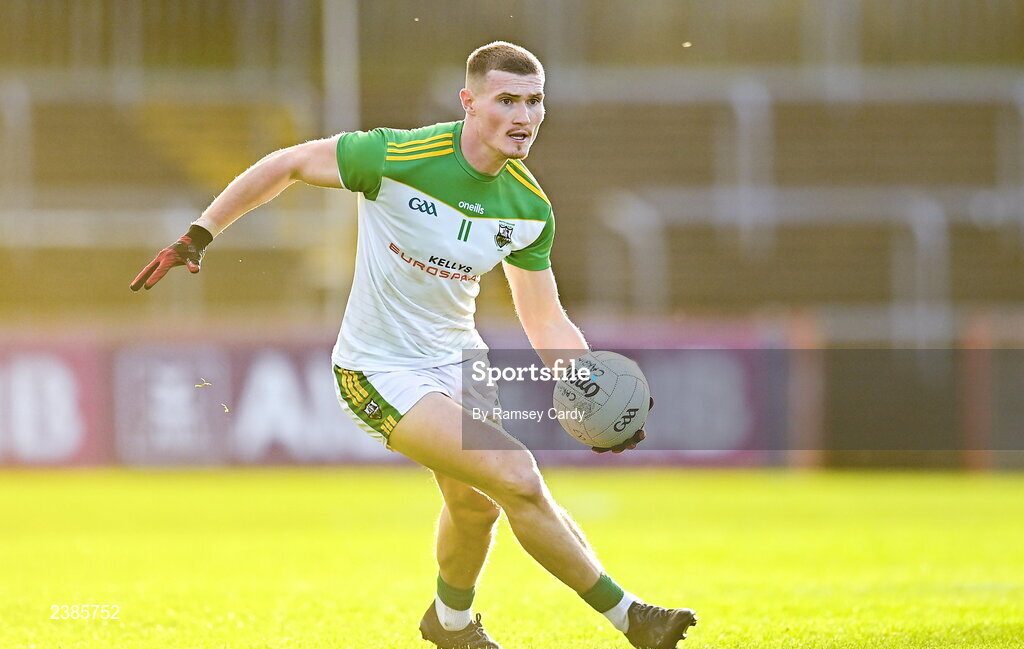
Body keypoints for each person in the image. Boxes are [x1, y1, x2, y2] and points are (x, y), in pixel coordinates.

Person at [130, 41, 697, 649]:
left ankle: (450, 625)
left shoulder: (530, 206)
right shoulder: (396, 155)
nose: (524, 116)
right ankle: (632, 619)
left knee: (476, 507)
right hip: (378, 369)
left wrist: (591, 387)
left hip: (462, 363)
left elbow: (545, 318)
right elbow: (288, 163)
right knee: (518, 476)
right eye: (506, 101)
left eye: (535, 102)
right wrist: (199, 234)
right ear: (468, 102)